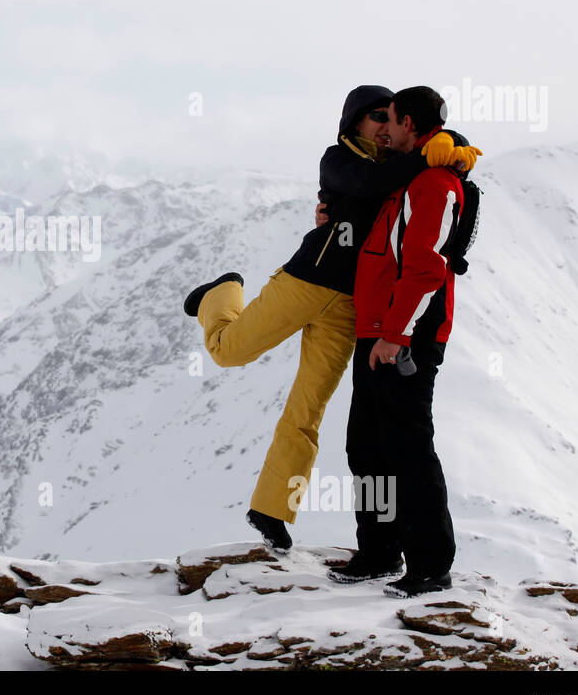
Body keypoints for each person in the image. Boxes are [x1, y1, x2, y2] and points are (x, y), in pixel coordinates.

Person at [183, 85, 480, 552]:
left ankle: (272, 509)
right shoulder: (339, 159)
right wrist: (433, 156)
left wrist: (451, 149)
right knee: (227, 351)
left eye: (391, 117)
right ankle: (221, 295)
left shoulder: (407, 163)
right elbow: (368, 185)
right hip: (307, 280)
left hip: (351, 306)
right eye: (375, 116)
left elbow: (434, 154)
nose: (385, 126)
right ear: (354, 122)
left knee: (310, 406)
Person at [327, 85, 478, 598]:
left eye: (389, 119)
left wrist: (396, 335)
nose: (383, 130)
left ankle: (431, 565)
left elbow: (425, 269)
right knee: (367, 447)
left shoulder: (434, 182)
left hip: (405, 337)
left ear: (410, 122)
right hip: (376, 334)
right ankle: (379, 552)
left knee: (407, 449)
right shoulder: (411, 175)